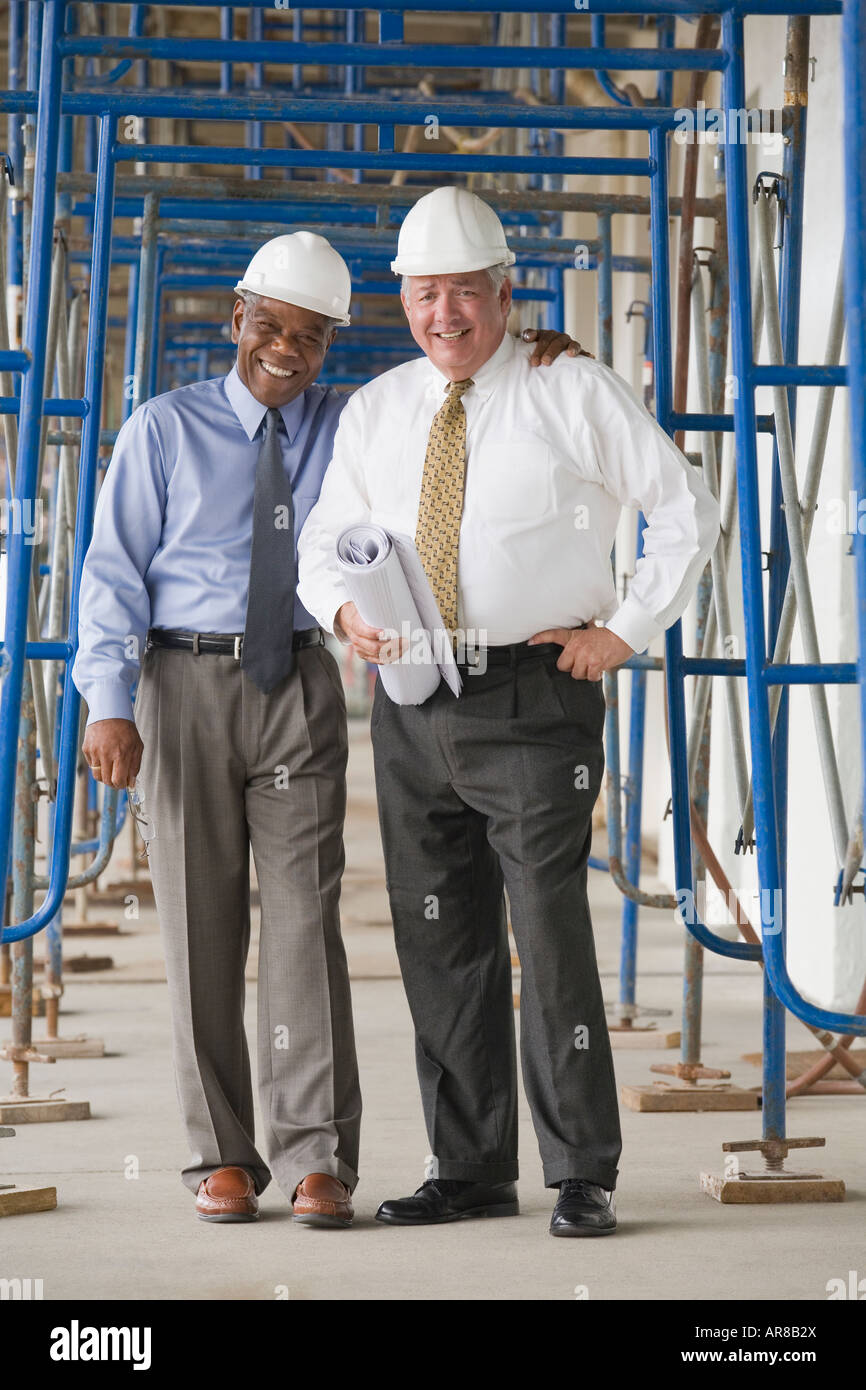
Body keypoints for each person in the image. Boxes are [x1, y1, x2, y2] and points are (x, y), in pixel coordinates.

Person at [72, 226, 584, 1229]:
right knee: (198, 923)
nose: (285, 350)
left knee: (306, 928)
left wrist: (542, 354)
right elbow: (111, 574)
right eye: (270, 327)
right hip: (182, 680)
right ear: (237, 322)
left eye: (308, 337)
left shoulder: (351, 428)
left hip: (300, 687)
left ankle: (316, 1157)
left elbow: (459, 395)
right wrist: (108, 702)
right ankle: (218, 1153)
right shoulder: (162, 430)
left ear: (328, 347)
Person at [297, 187, 721, 1238]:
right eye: (422, 294)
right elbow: (319, 540)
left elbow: (681, 506)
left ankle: (581, 1168)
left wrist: (621, 629)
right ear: (402, 299)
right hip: (409, 701)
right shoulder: (378, 409)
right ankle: (470, 1164)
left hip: (533, 693)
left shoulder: (565, 387)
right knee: (439, 936)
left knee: (546, 928)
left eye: (462, 294)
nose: (444, 314)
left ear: (501, 292)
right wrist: (344, 609)